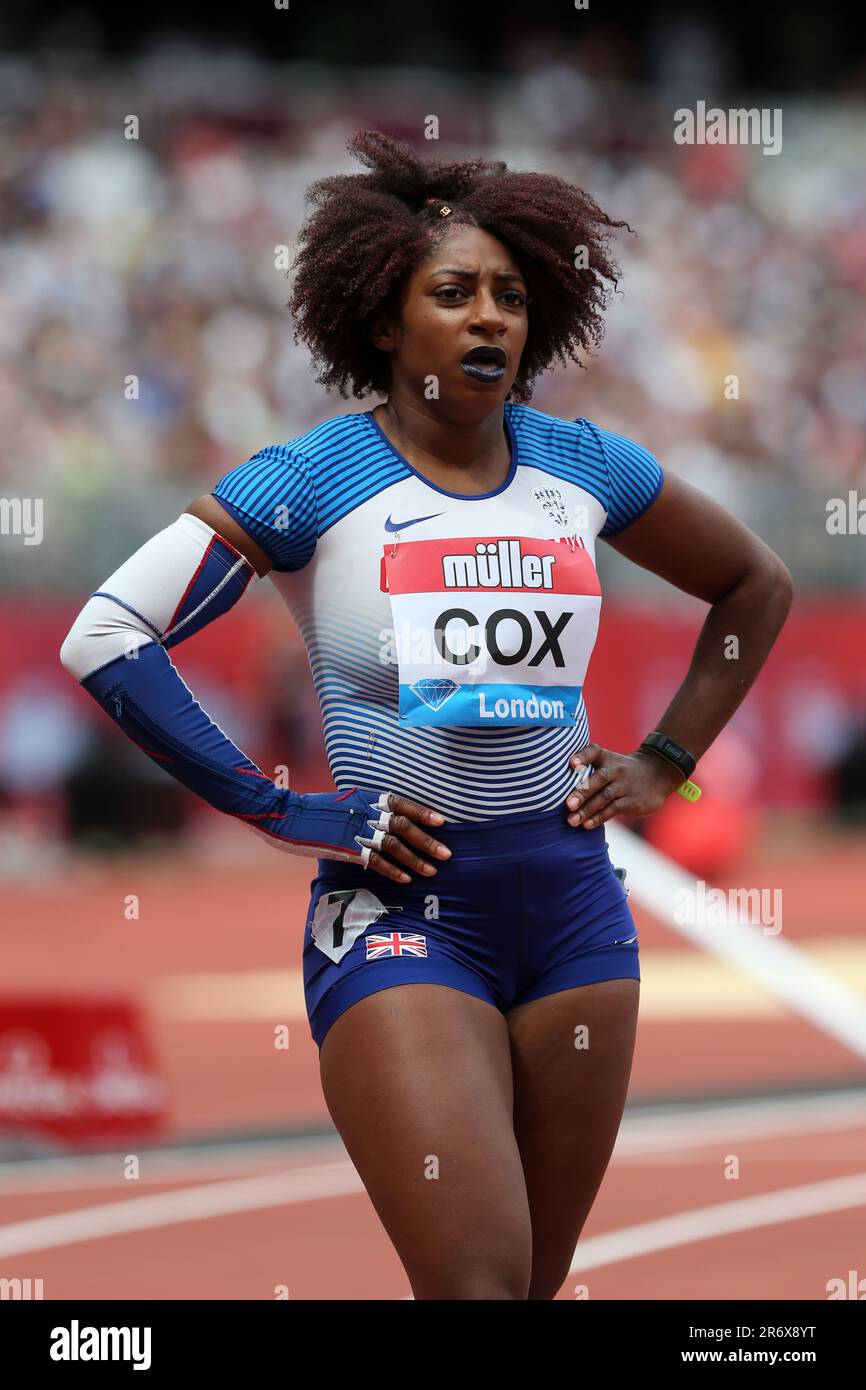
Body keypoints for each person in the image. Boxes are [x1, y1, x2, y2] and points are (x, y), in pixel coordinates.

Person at [59, 130, 794, 1300]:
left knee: (530, 1290)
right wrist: (281, 808)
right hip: (403, 915)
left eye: (508, 295)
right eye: (451, 294)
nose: (487, 318)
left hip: (572, 911)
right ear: (385, 325)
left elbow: (753, 586)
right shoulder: (312, 480)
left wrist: (665, 760)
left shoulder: (582, 466)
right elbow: (106, 634)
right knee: (477, 1285)